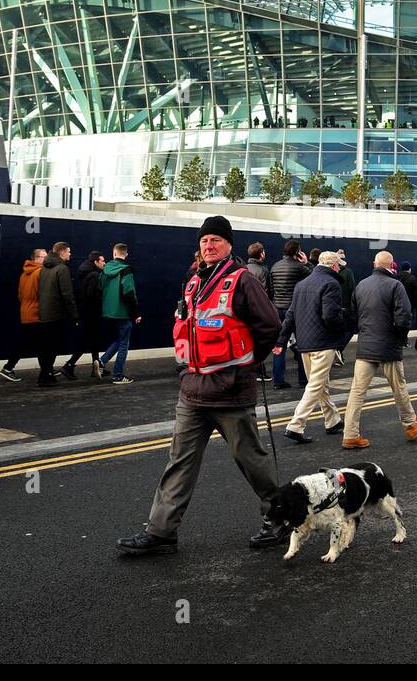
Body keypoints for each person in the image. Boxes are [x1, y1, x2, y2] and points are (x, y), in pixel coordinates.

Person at [117, 215, 284, 556]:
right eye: (204, 241)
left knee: (249, 457)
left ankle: (281, 516)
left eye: (216, 241)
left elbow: (269, 326)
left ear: (228, 245)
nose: (209, 246)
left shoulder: (243, 280)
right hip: (192, 390)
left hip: (231, 391)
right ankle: (161, 532)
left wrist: (248, 362)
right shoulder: (193, 281)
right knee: (179, 461)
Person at [342, 251, 417, 449]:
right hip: (388, 346)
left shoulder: (361, 285)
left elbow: (353, 315)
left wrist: (363, 331)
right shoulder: (395, 285)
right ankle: (410, 425)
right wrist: (399, 337)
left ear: (375, 264)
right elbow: (404, 317)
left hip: (366, 345)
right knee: (399, 388)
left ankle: (350, 434)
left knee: (357, 391)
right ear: (392, 265)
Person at [275, 250, 347, 444]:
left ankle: (332, 420)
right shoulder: (331, 283)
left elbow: (290, 315)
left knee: (320, 384)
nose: (340, 268)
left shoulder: (301, 284)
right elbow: (330, 316)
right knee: (315, 385)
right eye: (338, 265)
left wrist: (281, 341)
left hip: (304, 344)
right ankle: (295, 425)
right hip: (324, 343)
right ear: (333, 266)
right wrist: (344, 327)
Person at [269, 240, 310, 389]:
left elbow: (271, 291)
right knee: (301, 344)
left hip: (278, 309)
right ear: (297, 252)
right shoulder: (300, 267)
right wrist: (306, 263)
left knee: (279, 345)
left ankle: (278, 381)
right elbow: (314, 278)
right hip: (294, 310)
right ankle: (303, 379)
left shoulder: (274, 267)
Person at [1, 248, 45, 382]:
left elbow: (20, 295)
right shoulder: (40, 273)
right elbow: (43, 294)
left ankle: (46, 369)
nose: (47, 259)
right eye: (44, 257)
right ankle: (8, 368)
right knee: (37, 344)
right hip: (36, 313)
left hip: (25, 312)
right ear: (36, 258)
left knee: (35, 343)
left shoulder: (24, 274)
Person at [37, 242, 78, 385]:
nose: (70, 254)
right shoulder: (62, 269)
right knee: (52, 346)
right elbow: (67, 294)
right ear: (62, 253)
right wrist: (74, 315)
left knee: (45, 346)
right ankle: (47, 376)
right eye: (68, 251)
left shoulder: (43, 268)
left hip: (43, 313)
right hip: (55, 313)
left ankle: (45, 373)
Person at [100, 243, 142, 384]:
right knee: (124, 342)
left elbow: (100, 289)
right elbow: (129, 293)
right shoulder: (127, 270)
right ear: (126, 254)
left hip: (109, 311)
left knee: (120, 338)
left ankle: (102, 361)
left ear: (113, 254)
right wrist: (136, 313)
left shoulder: (105, 269)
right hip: (123, 312)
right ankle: (118, 375)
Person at [64, 251, 107, 377]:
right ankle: (69, 365)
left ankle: (96, 368)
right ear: (96, 262)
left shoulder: (84, 272)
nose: (105, 263)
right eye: (103, 261)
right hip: (91, 313)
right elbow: (92, 295)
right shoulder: (94, 275)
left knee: (93, 341)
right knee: (88, 340)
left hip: (84, 312)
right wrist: (102, 297)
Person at [399, 261, 417, 342]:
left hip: (398, 304)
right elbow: (416, 293)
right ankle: (404, 340)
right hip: (410, 304)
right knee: (408, 322)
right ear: (409, 269)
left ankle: (400, 339)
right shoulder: (412, 278)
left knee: (398, 322)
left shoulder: (397, 277)